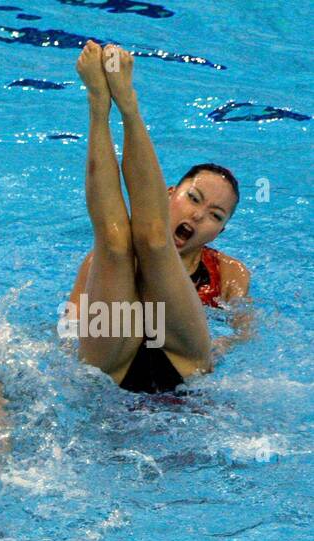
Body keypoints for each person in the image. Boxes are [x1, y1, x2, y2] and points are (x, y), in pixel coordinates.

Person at [67, 41, 252, 394]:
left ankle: (125, 104)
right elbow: (71, 322)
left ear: (221, 230)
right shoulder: (94, 265)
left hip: (182, 365)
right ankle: (103, 104)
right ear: (170, 194)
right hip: (112, 363)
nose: (198, 215)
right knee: (115, 240)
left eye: (214, 215)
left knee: (154, 242)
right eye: (193, 198)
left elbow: (245, 332)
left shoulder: (229, 273)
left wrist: (226, 344)